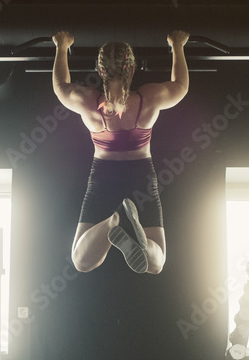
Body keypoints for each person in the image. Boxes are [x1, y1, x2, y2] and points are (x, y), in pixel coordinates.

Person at [52, 30, 190, 274]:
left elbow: (61, 86)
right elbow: (180, 85)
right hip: (141, 176)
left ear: (100, 71)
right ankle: (127, 222)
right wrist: (177, 45)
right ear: (132, 70)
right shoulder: (149, 98)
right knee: (156, 263)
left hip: (103, 177)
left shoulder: (87, 101)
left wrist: (61, 46)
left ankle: (114, 221)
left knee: (81, 262)